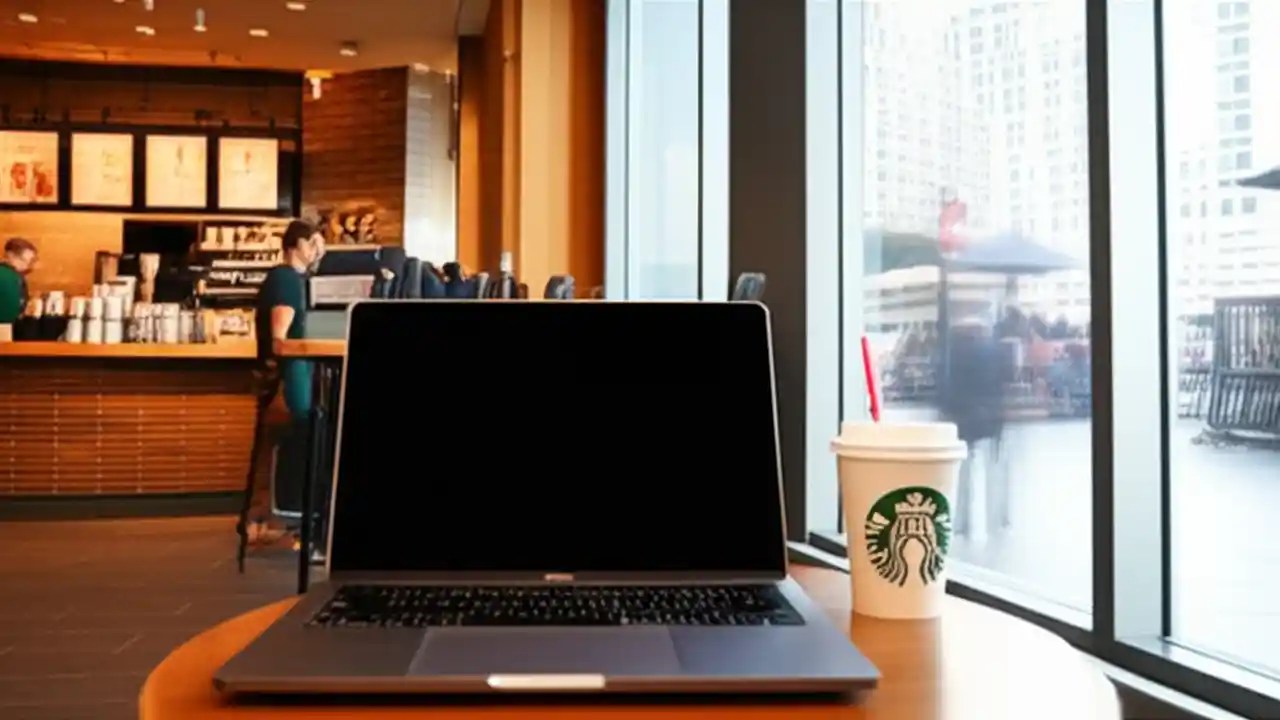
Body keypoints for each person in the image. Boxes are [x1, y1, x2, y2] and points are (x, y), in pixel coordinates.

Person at [253, 221, 324, 529]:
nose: (317, 252)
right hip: (287, 379)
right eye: (314, 244)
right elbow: (280, 337)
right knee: (304, 432)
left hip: (284, 377)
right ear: (298, 245)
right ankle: (287, 514)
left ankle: (269, 519)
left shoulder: (291, 279)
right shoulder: (285, 279)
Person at [941, 316, 1009, 538]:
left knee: (963, 472)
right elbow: (1000, 385)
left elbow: (950, 390)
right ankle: (998, 517)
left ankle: (961, 521)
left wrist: (948, 413)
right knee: (993, 470)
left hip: (965, 419)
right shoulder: (993, 353)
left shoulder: (955, 356)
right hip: (989, 418)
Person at [0, 237, 37, 325]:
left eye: (30, 261)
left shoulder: (16, 275)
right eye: (23, 260)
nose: (27, 266)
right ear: (10, 255)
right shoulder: (7, 275)